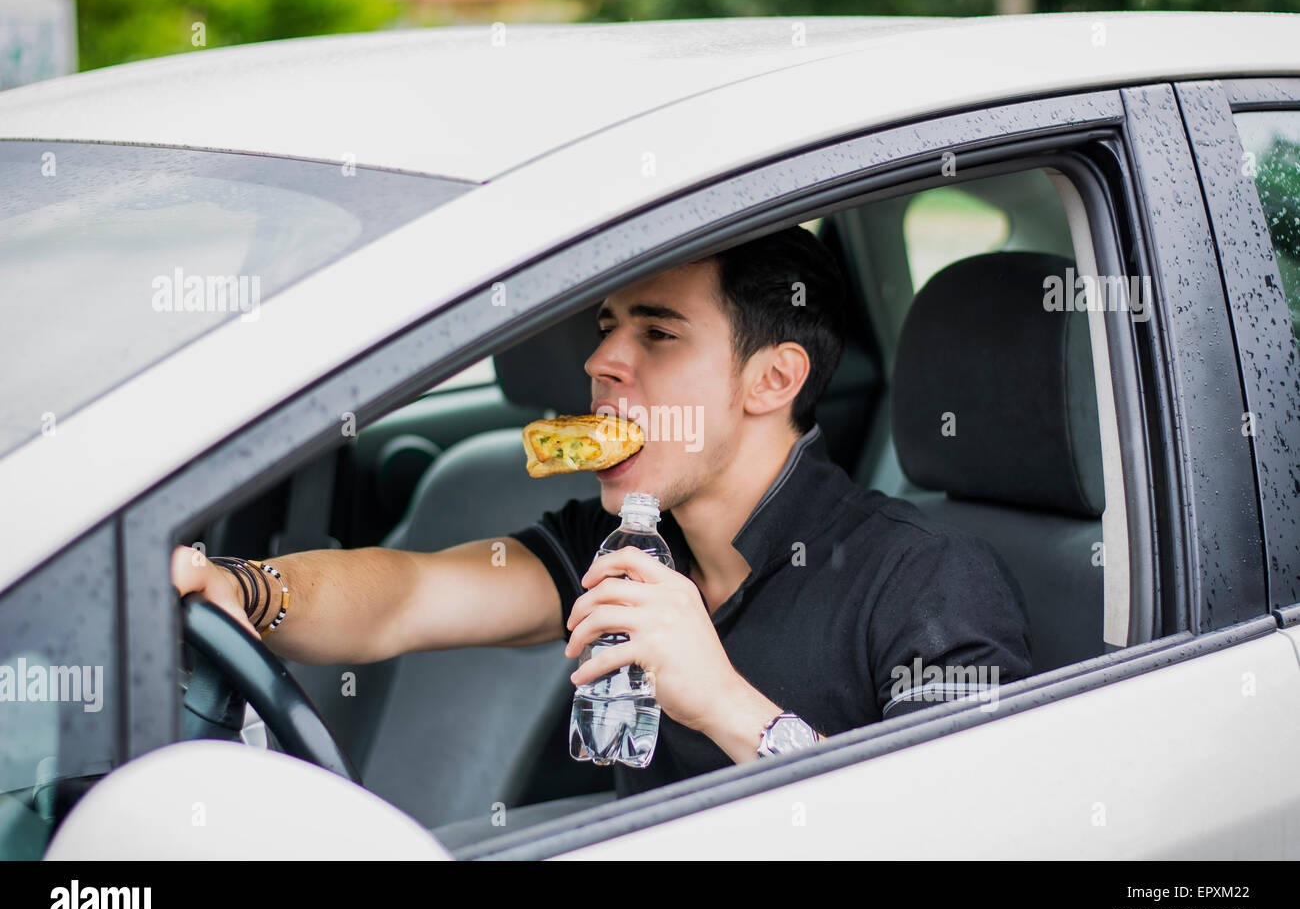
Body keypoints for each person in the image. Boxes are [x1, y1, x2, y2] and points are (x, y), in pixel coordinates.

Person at [171, 225, 1033, 799]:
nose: (601, 359)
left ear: (771, 380)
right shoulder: (629, 541)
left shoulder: (926, 582)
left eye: (656, 335)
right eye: (607, 325)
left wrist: (731, 708)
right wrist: (241, 589)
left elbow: (963, 837)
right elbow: (407, 595)